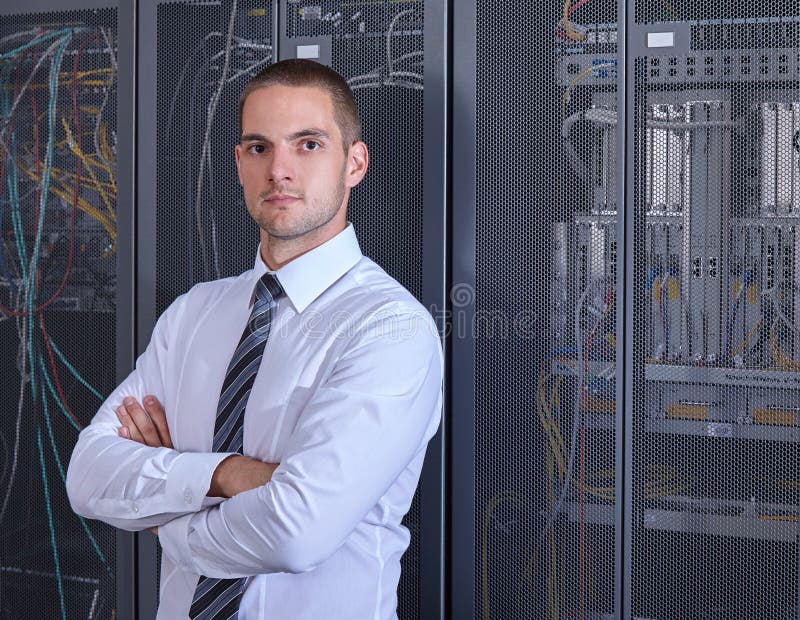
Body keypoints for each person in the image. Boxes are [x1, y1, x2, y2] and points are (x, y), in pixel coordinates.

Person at [66, 58, 442, 620]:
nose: (280, 171)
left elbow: (295, 532)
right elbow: (88, 475)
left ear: (355, 163)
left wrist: (170, 514)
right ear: (240, 162)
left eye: (308, 145)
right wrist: (226, 474)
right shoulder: (194, 313)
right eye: (259, 147)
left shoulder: (390, 328)